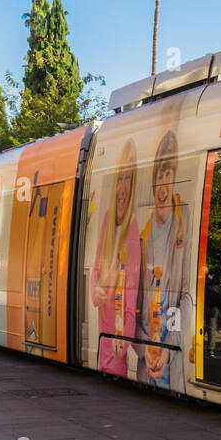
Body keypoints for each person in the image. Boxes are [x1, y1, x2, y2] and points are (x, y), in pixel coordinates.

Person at [135, 130, 188, 388]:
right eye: (159, 175)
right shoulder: (142, 235)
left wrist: (171, 346)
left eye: (169, 175)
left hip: (172, 351)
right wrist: (143, 346)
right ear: (153, 181)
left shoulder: (184, 225)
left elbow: (186, 294)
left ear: (175, 179)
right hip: (148, 356)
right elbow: (134, 301)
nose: (163, 185)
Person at [91, 142, 140, 377]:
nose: (123, 186)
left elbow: (132, 286)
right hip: (104, 316)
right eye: (120, 178)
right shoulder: (108, 220)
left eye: (128, 179)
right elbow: (96, 268)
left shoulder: (133, 224)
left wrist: (125, 336)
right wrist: (95, 290)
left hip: (118, 322)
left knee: (114, 370)